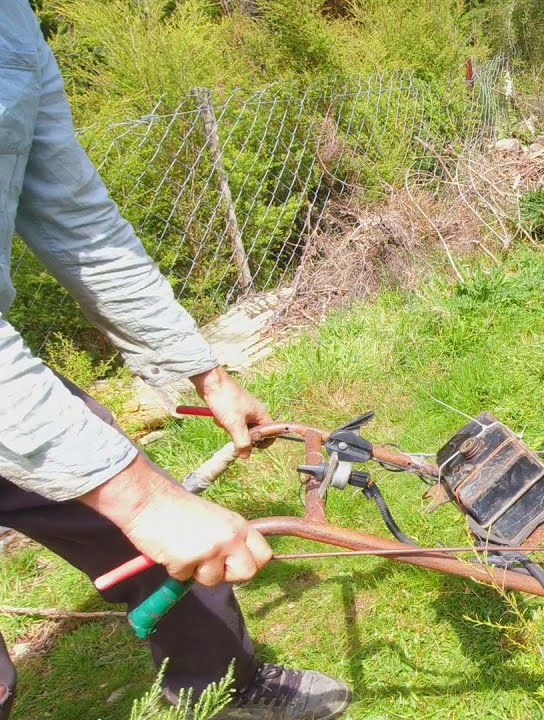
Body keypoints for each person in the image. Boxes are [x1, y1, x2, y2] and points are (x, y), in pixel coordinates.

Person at [0, 3, 350, 718]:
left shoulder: (13, 25)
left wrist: (206, 373)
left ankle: (225, 688)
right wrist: (143, 499)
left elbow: (81, 224)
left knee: (125, 511)